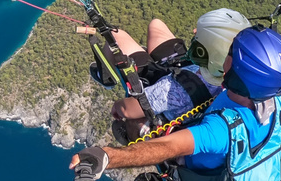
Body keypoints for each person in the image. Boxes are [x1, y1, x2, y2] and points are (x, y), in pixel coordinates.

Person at [72, 24, 281, 181]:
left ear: (237, 71)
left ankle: (134, 129)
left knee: (135, 120)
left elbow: (167, 148)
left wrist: (107, 157)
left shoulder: (220, 132)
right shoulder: (272, 98)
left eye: (230, 53)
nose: (226, 54)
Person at [100, 9, 252, 144]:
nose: (193, 31)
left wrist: (117, 107)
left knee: (114, 36)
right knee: (156, 24)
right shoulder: (237, 82)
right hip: (185, 69)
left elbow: (127, 109)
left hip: (162, 84)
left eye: (198, 37)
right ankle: (145, 54)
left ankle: (107, 76)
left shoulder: (173, 90)